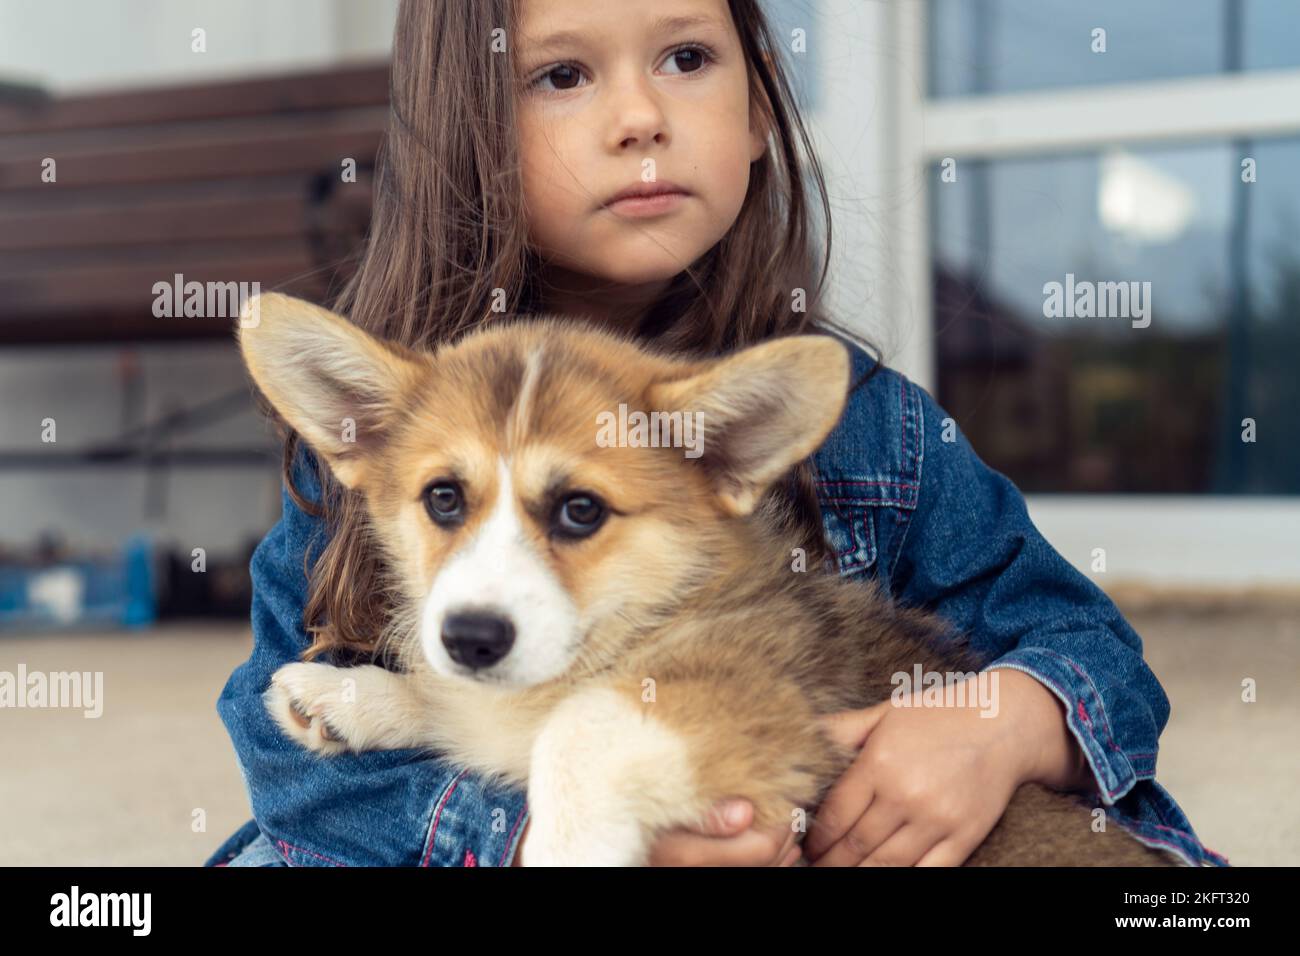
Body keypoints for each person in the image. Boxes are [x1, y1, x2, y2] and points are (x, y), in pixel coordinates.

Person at [204, 0, 1226, 868]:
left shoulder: (871, 426)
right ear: (471, 130)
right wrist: (516, 831)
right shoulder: (389, 427)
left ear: (755, 108)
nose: (641, 116)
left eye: (687, 58)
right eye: (563, 75)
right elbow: (285, 758)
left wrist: (999, 725)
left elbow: (1093, 651)